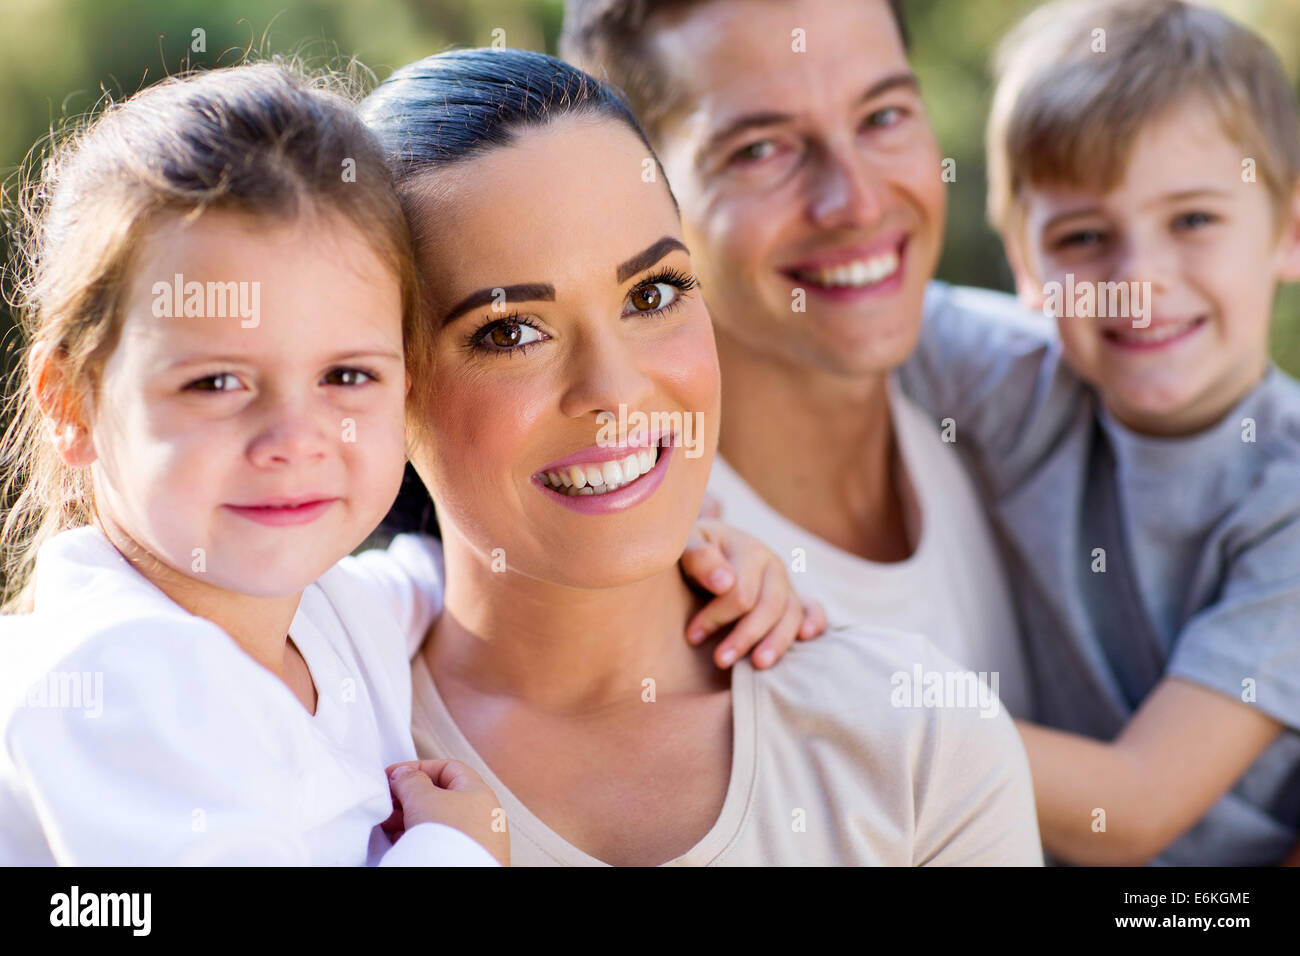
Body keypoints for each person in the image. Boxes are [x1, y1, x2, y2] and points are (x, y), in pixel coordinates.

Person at [359, 47, 1042, 867]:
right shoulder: (304, 743)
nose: (614, 391)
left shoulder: (916, 742)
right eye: (511, 332)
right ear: (381, 389)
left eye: (651, 294)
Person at [0, 61, 507, 865]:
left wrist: (690, 558)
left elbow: (444, 578)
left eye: (346, 376)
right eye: (217, 382)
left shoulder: (327, 613)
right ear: (72, 403)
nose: (294, 438)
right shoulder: (116, 676)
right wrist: (454, 851)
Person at [898, 0, 1300, 865]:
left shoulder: (1288, 495)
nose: (1137, 281)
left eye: (1193, 220)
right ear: (1026, 262)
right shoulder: (1014, 380)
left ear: (1289, 230)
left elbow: (1138, 805)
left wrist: (867, 696)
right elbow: (829, 312)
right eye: (1083, 237)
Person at [561, 0, 1032, 717]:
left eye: (882, 117)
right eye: (761, 149)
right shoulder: (660, 576)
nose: (859, 203)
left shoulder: (1024, 394)